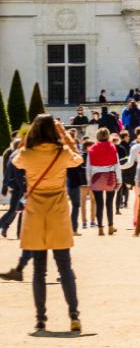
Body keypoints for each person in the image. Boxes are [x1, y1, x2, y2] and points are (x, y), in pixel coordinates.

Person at [4, 114, 82, 331]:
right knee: (65, 267)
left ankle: (41, 319)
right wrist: (65, 135)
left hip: (36, 212)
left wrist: (26, 134)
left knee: (39, 270)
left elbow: (15, 159)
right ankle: (74, 315)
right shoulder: (62, 153)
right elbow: (79, 158)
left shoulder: (27, 154)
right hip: (57, 211)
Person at [87, 128, 120, 234]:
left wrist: (89, 182)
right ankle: (110, 226)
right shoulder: (112, 147)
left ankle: (100, 228)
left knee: (99, 203)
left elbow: (89, 167)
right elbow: (117, 165)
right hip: (110, 176)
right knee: (109, 203)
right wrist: (119, 179)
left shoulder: (92, 148)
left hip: (96, 177)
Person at [0, 136, 26, 239]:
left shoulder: (12, 155)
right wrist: (24, 189)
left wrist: (6, 186)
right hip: (19, 187)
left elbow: (6, 174)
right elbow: (19, 174)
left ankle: (6, 227)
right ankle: (19, 233)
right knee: (18, 210)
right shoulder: (17, 156)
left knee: (16, 210)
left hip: (16, 187)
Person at [64, 129, 86, 234]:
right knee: (76, 205)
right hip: (73, 182)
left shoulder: (61, 150)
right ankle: (73, 228)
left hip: (63, 181)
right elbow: (79, 164)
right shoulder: (73, 152)